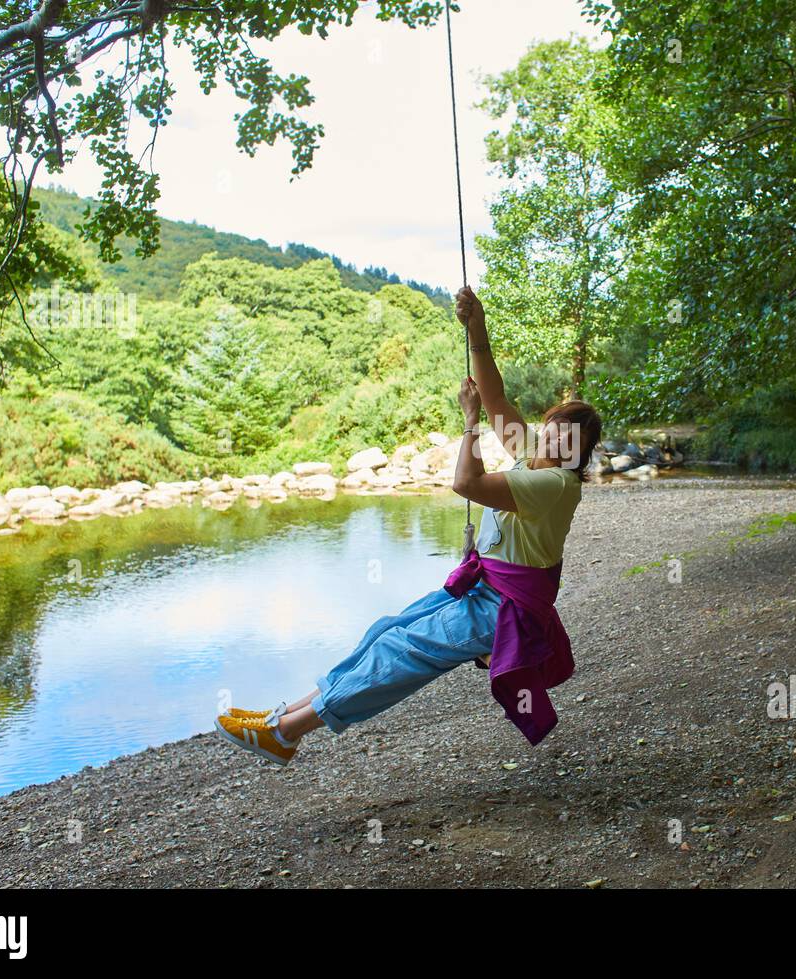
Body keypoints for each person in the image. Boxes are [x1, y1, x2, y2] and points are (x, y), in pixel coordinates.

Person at [214, 286, 602, 765]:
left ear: (577, 452)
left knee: (396, 656)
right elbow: (497, 394)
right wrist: (476, 326)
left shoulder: (555, 485)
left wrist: (469, 423)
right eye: (553, 426)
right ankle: (281, 718)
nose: (553, 437)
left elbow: (467, 481)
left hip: (500, 610)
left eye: (568, 436)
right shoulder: (532, 460)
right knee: (386, 630)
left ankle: (285, 733)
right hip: (484, 591)